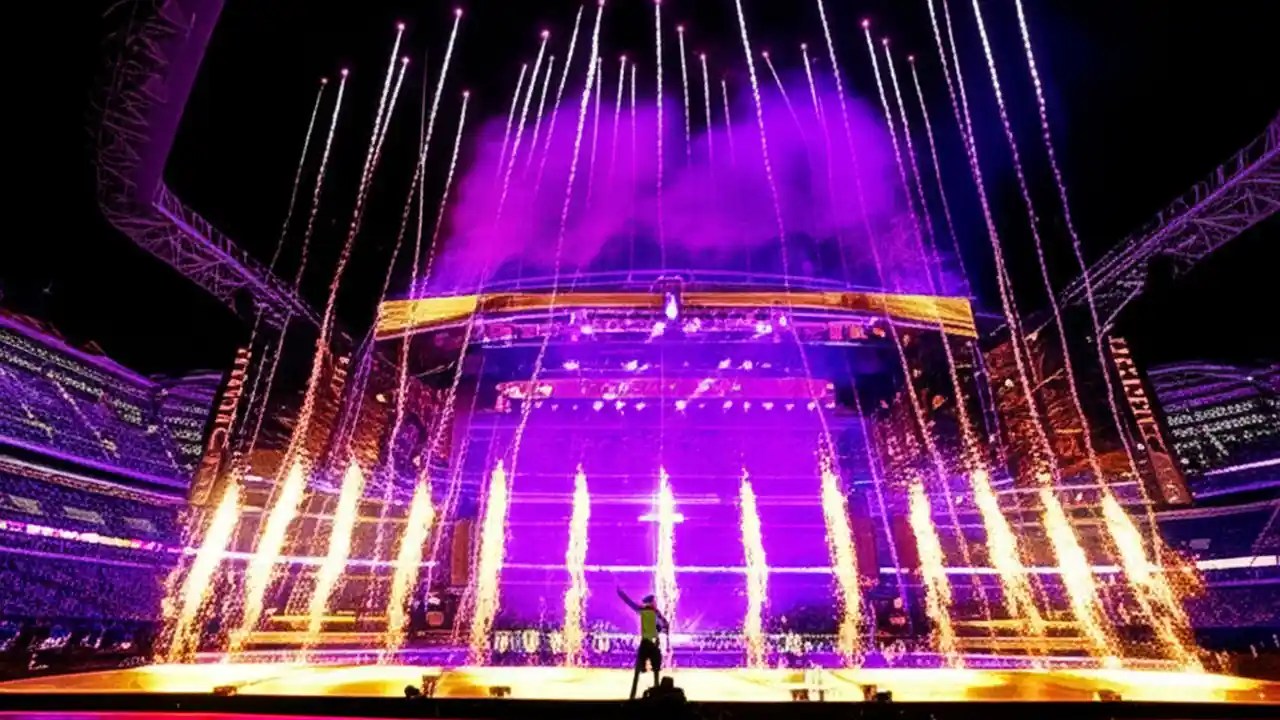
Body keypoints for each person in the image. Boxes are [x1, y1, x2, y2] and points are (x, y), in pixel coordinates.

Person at [616, 587, 669, 700]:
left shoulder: (644, 611)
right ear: (651, 602)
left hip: (646, 643)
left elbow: (630, 602)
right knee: (655, 672)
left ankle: (632, 696)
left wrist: (621, 594)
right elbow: (666, 625)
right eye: (654, 601)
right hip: (652, 644)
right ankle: (655, 696)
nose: (655, 603)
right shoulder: (654, 612)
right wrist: (660, 630)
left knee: (639, 672)